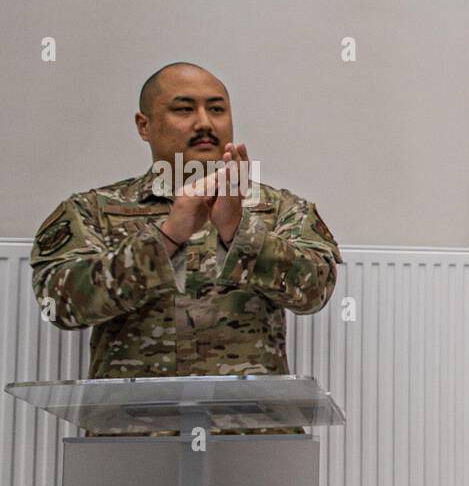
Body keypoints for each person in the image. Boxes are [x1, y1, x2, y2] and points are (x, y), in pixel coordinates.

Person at [30, 61, 339, 381]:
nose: (204, 123)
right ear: (143, 125)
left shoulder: (279, 208)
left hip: (248, 423)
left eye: (217, 109)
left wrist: (237, 232)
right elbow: (61, 305)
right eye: (184, 110)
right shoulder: (93, 210)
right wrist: (167, 237)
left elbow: (314, 292)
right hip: (136, 422)